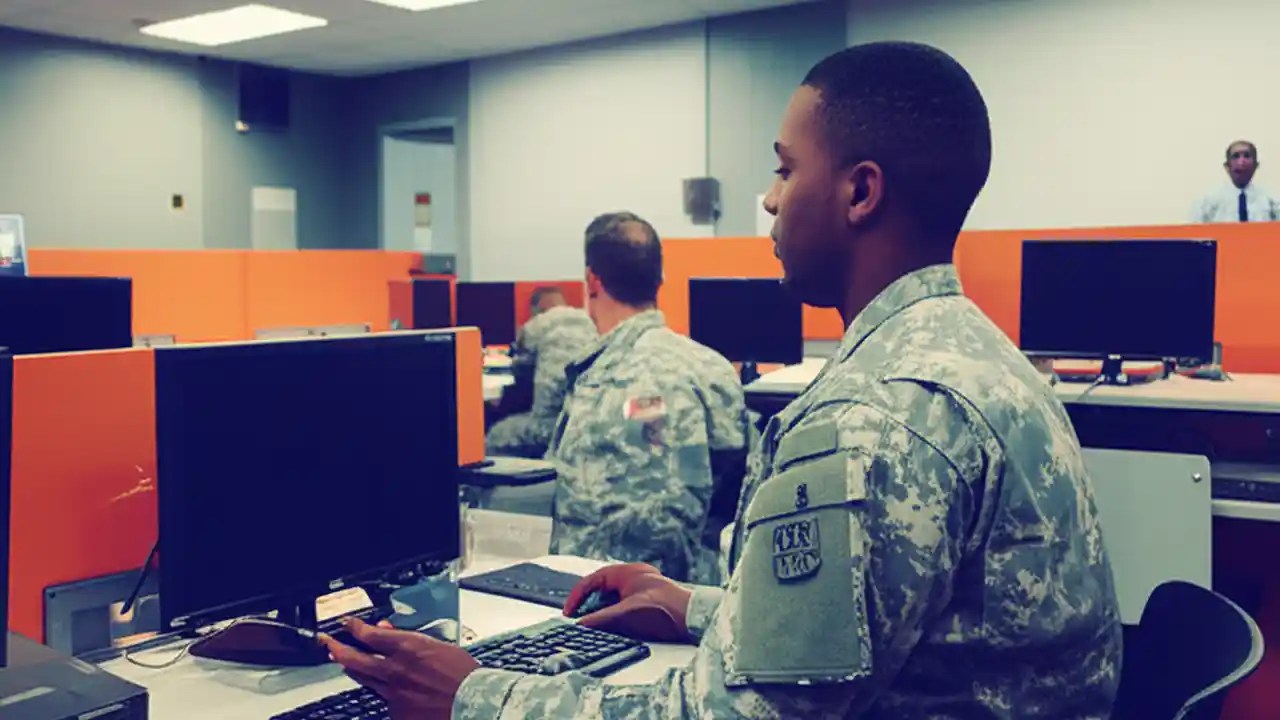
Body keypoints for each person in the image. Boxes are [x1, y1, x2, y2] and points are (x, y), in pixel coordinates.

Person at [323, 42, 1123, 719]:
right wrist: (695, 605)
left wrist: (474, 695)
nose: (770, 200)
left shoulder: (871, 418)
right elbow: (876, 631)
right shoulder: (976, 353)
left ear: (860, 192)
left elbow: (733, 716)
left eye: (784, 170)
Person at [538, 211, 747, 584]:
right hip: (697, 597)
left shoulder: (596, 381)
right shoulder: (713, 368)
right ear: (660, 280)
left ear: (592, 281)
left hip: (593, 601)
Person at [485, 286, 597, 458]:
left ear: (536, 310)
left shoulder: (535, 326)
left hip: (548, 427)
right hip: (582, 424)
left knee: (494, 434)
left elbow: (520, 376)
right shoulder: (591, 325)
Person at [1192, 140, 1280, 223]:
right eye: (1235, 156)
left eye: (1247, 155)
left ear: (1256, 165)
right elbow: (1192, 233)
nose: (1241, 162)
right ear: (1227, 166)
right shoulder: (1208, 201)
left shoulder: (1271, 200)